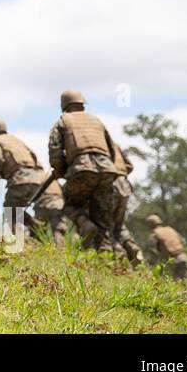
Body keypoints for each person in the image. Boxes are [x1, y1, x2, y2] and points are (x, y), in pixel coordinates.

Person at [47, 89, 121, 253]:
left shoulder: (63, 121)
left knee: (67, 203)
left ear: (64, 105)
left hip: (81, 170)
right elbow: (112, 149)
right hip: (107, 170)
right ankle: (106, 258)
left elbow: (55, 150)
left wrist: (61, 170)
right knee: (102, 217)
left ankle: (84, 223)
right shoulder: (97, 121)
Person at [0, 118, 43, 236]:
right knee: (16, 210)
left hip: (19, 180)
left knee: (9, 212)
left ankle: (10, 243)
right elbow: (34, 157)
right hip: (37, 180)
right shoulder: (16, 140)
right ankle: (37, 227)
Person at [146, 214, 187, 279]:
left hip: (172, 261)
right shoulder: (170, 229)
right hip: (183, 256)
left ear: (150, 225)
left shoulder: (154, 234)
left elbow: (153, 252)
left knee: (179, 284)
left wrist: (149, 266)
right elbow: (183, 241)